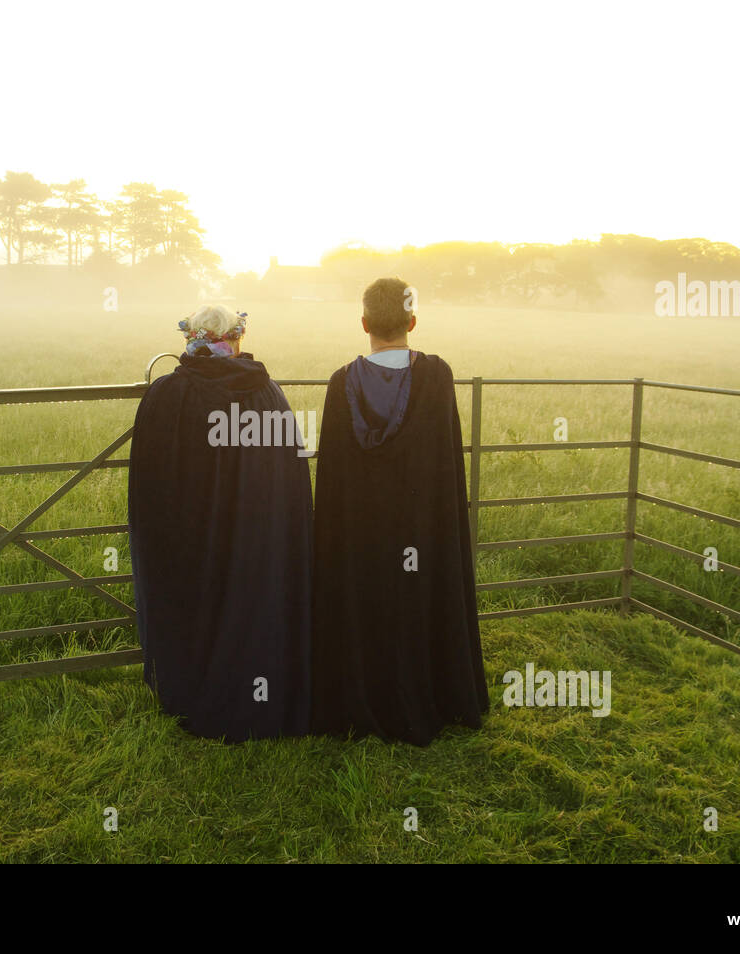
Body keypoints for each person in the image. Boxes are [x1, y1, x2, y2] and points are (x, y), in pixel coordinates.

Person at [311, 277, 489, 745]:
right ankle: (430, 693)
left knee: (366, 601)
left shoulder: (339, 383)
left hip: (361, 537)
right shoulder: (437, 376)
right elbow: (444, 465)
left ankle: (362, 697)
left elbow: (332, 479)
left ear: (364, 323)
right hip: (421, 533)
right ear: (412, 321)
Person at [128, 304, 313, 741]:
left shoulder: (166, 396)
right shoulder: (267, 393)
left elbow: (150, 484)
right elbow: (289, 478)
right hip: (254, 540)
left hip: (190, 540)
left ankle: (191, 690)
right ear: (238, 338)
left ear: (189, 339)